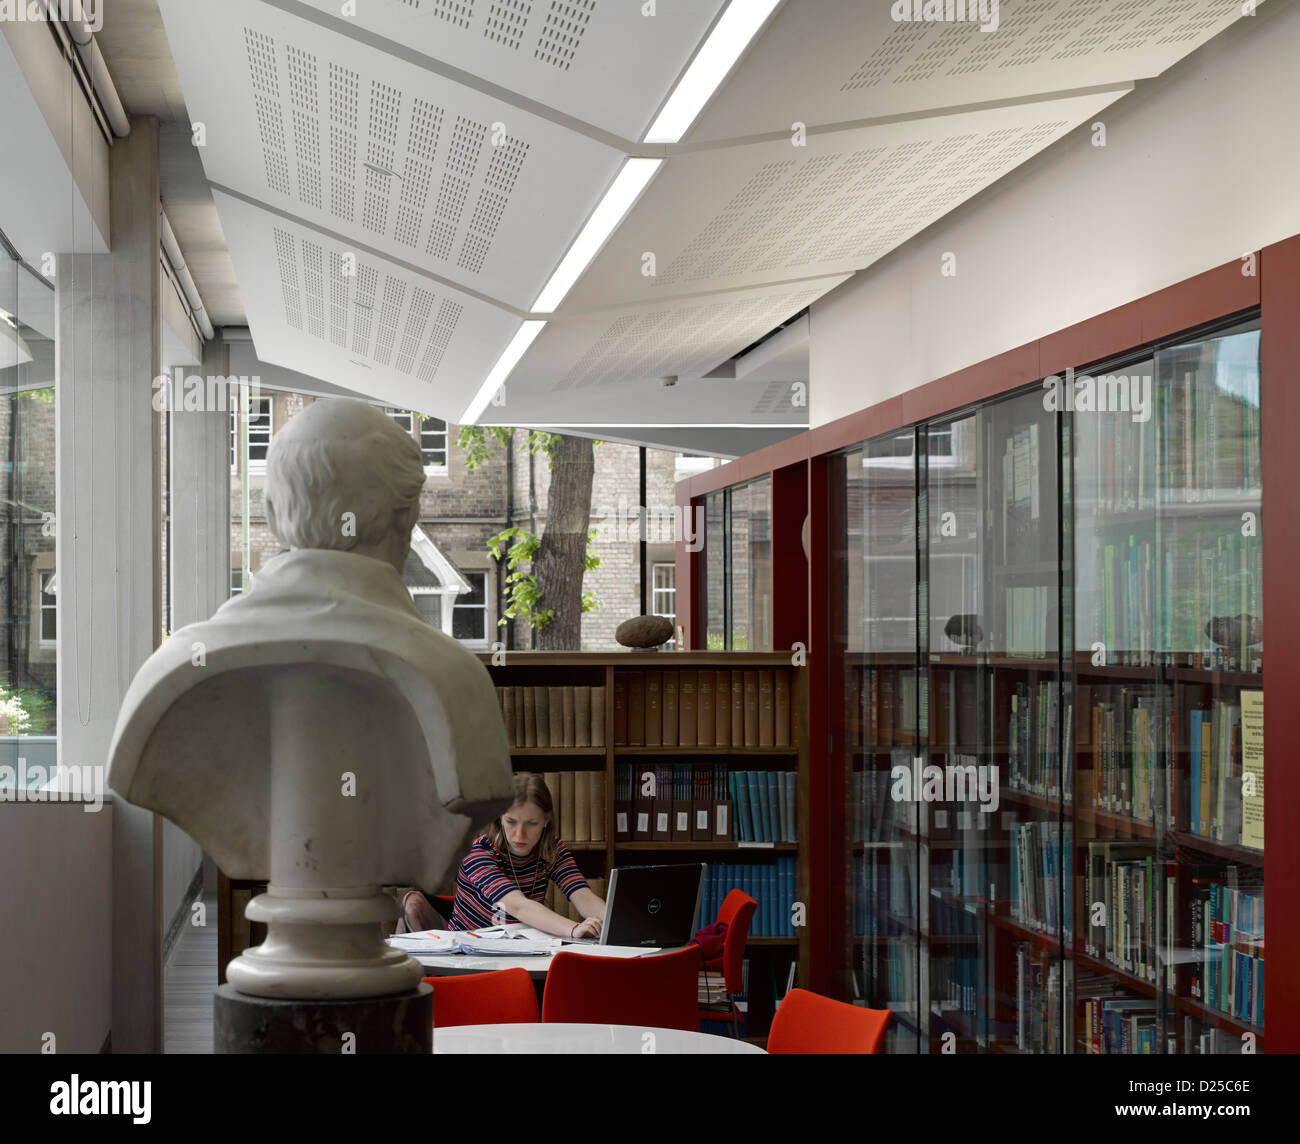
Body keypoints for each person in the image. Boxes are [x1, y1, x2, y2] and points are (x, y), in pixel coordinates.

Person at [448, 773, 606, 939]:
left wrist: (614, 925)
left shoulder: (552, 850)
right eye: (511, 822)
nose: (520, 834)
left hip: (522, 945)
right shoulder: (477, 853)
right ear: (499, 818)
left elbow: (583, 896)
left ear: (546, 820)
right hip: (468, 951)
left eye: (531, 823)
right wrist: (574, 929)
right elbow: (518, 907)